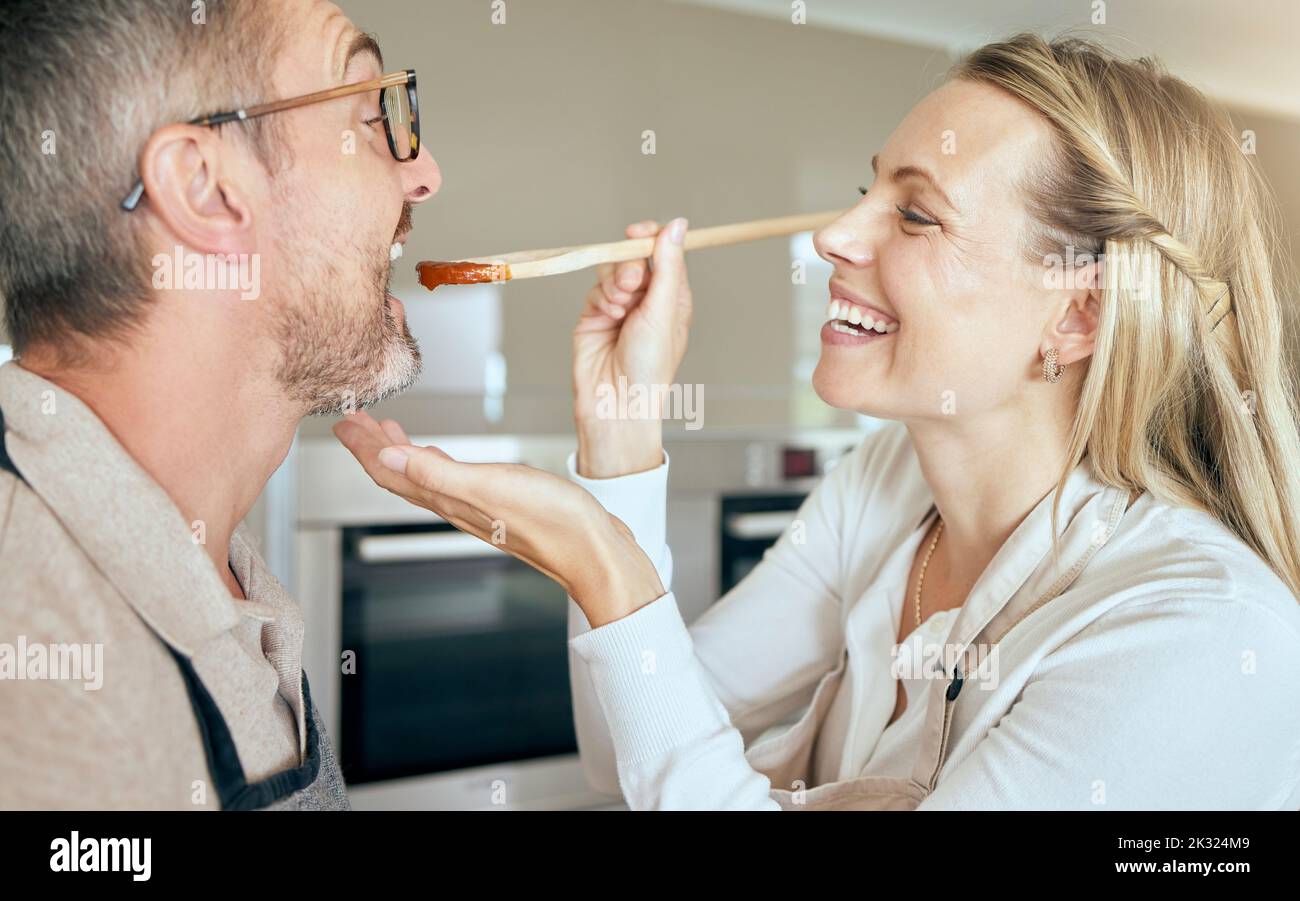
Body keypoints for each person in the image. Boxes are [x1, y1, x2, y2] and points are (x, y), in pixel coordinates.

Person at [335, 34, 1300, 810]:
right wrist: (623, 430)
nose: (833, 237)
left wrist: (603, 561)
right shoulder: (888, 481)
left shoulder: (1196, 636)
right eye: (865, 190)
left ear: (1078, 314)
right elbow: (623, 746)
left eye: (916, 216)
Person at [0, 0, 440, 808]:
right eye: (367, 113)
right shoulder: (42, 699)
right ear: (205, 189)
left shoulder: (217, 559)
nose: (423, 173)